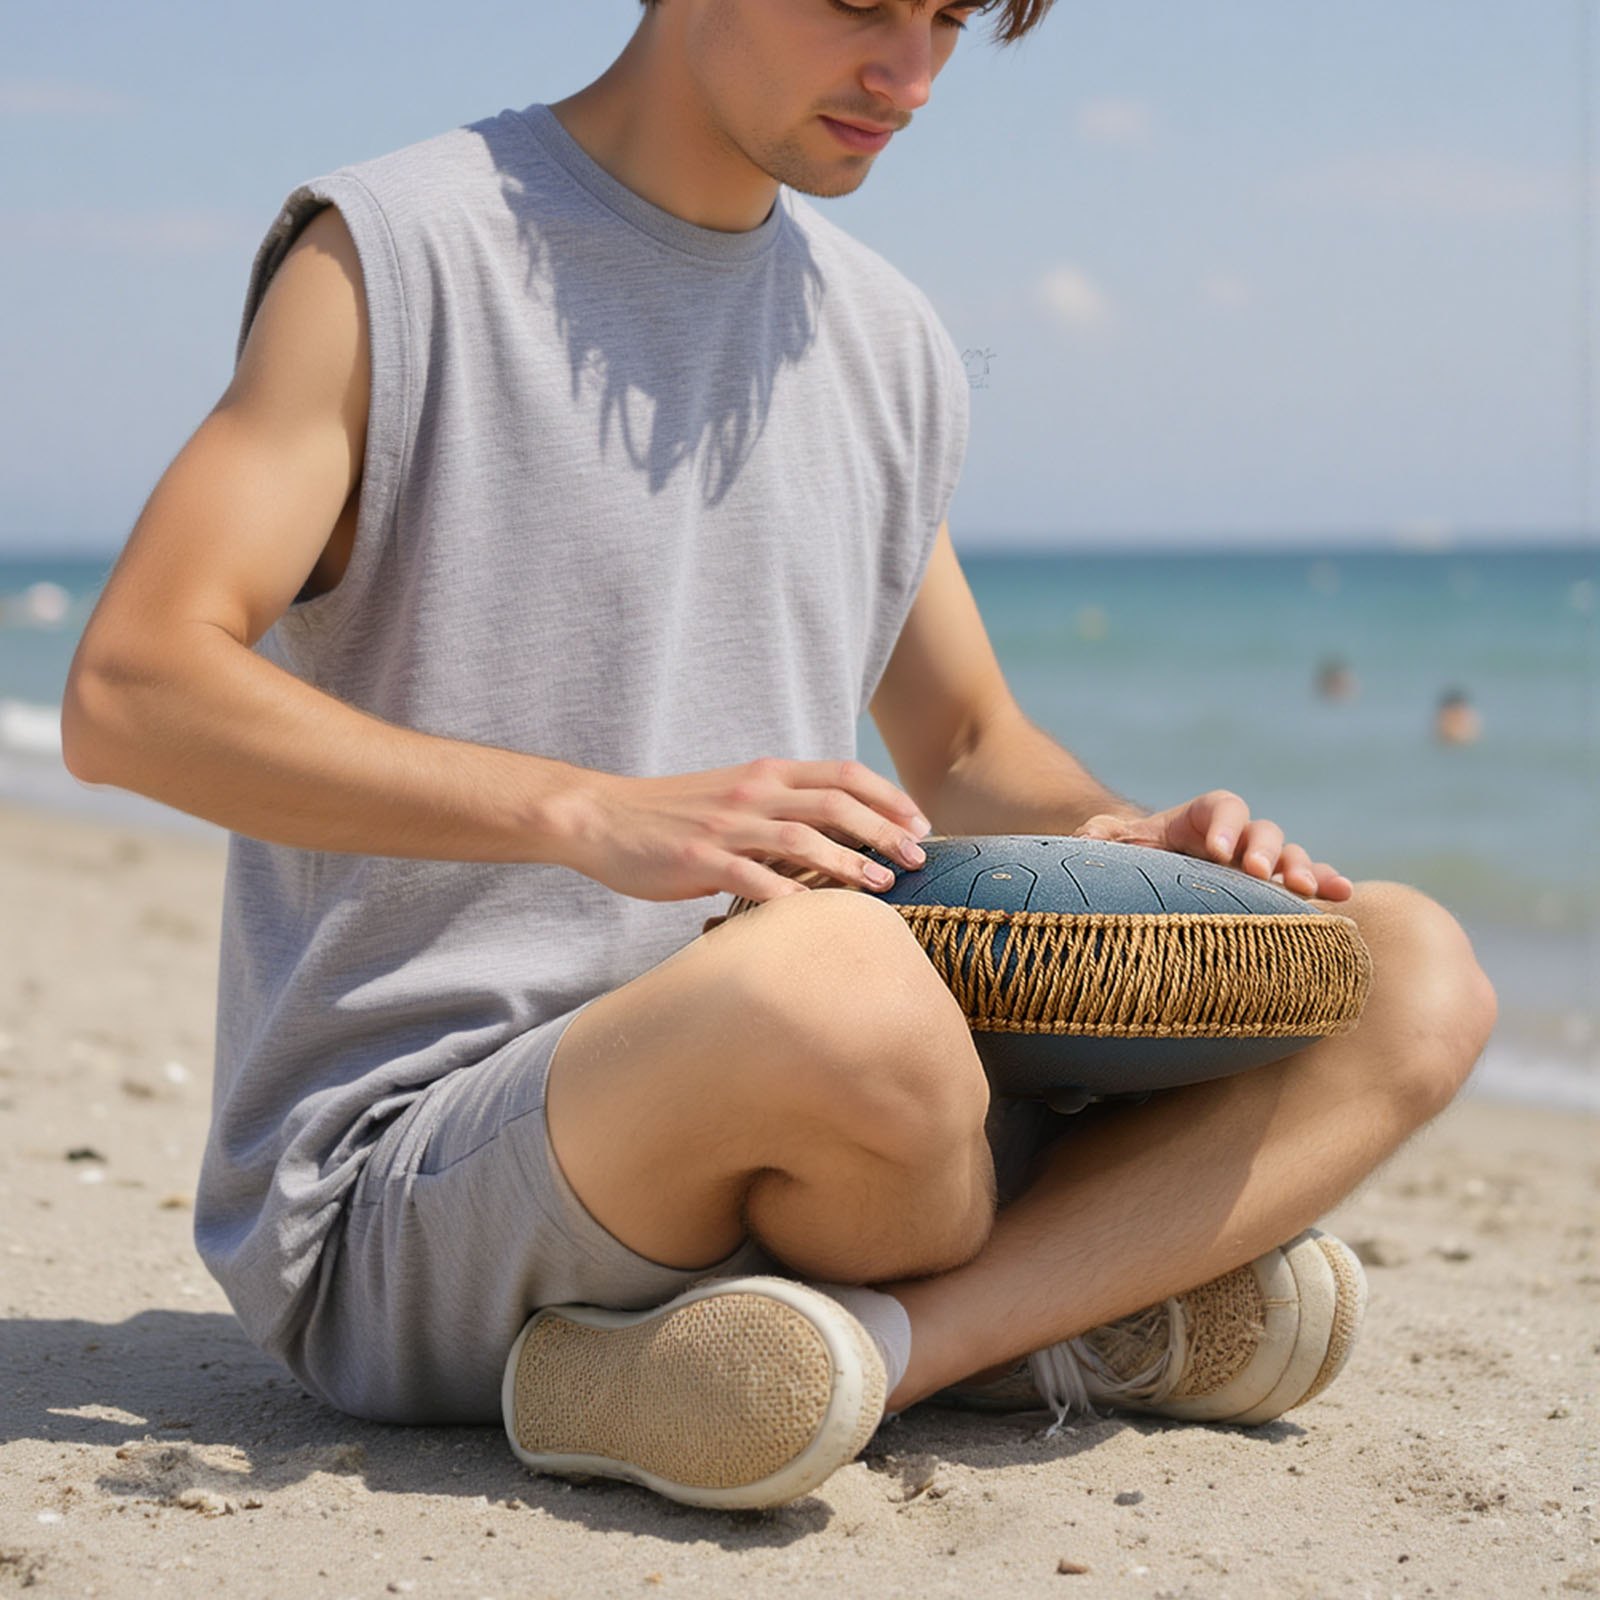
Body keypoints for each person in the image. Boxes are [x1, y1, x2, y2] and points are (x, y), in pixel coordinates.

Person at [59, 0, 1496, 1513]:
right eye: (863, 6)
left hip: (857, 1115)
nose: (912, 76)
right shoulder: (394, 257)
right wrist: (590, 815)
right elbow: (133, 688)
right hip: (426, 1178)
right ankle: (1072, 1307)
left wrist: (1127, 832)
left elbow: (965, 739)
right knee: (845, 983)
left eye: (948, 21)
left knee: (1406, 964)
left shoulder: (882, 339)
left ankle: (875, 1347)